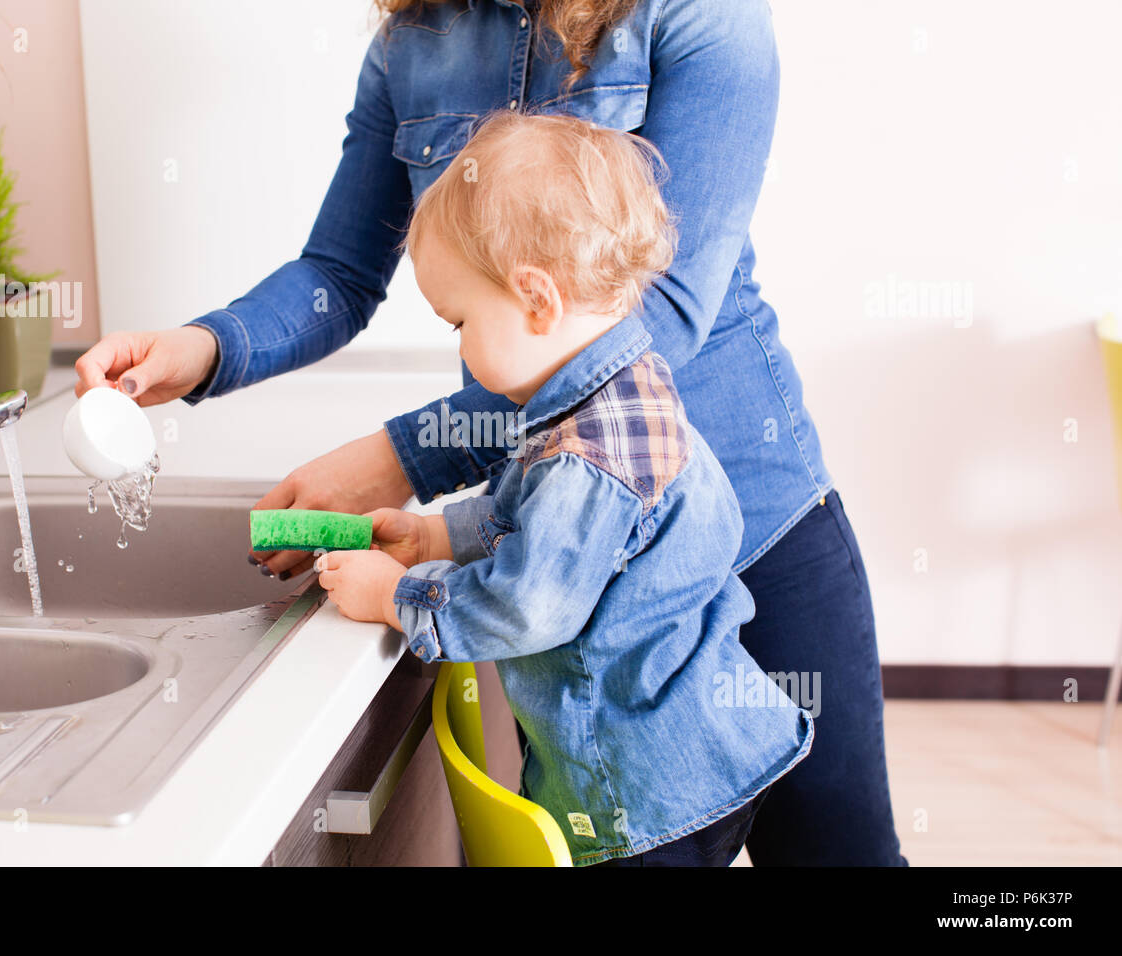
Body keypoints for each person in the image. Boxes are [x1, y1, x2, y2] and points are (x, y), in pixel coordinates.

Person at [75, 0, 905, 866]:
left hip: (759, 515)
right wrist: (202, 349)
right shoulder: (413, 37)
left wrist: (402, 463)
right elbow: (339, 270)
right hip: (561, 535)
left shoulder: (700, 13)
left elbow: (656, 315)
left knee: (841, 853)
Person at [315, 109, 812, 865]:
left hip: (640, 793)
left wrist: (395, 595)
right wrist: (436, 536)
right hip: (696, 760)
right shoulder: (622, 391)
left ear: (537, 301)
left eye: (459, 322)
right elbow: (552, 530)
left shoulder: (589, 456)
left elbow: (528, 604)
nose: (459, 345)